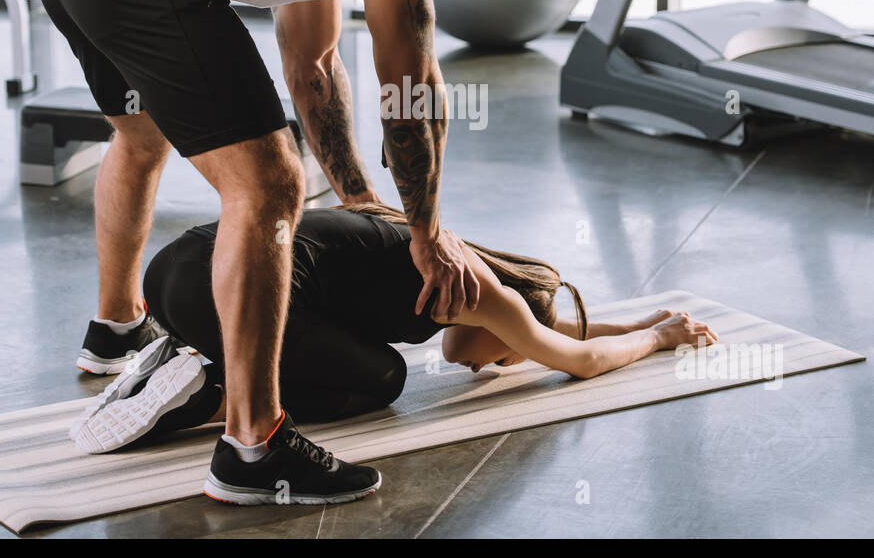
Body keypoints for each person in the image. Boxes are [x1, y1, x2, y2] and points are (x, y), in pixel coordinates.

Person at [39, 0, 511, 504]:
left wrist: (354, 193)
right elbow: (412, 90)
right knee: (268, 187)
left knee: (140, 138)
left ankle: (114, 330)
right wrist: (428, 230)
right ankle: (253, 448)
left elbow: (314, 66)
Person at [70, 204, 720, 505]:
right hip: (222, 295)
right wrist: (656, 339)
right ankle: (211, 384)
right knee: (383, 375)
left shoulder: (445, 250)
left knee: (357, 347)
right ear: (517, 314)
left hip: (180, 274)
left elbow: (558, 338)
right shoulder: (487, 296)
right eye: (510, 351)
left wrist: (639, 317)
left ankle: (191, 357)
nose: (498, 361)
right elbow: (575, 360)